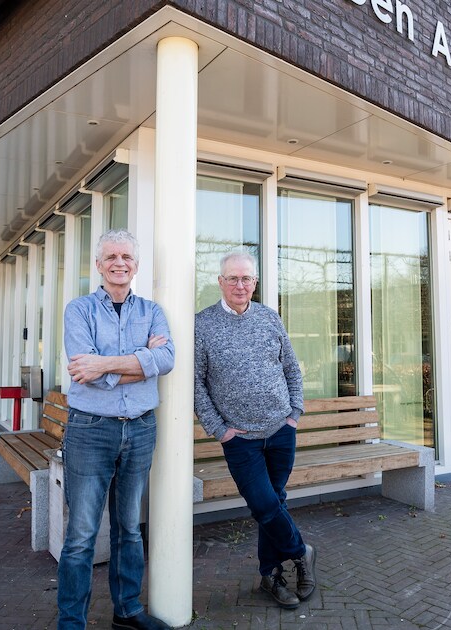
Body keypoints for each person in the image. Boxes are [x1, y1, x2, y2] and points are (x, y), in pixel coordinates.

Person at [58, 229, 174, 630]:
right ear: (98, 265)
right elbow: (81, 370)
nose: (119, 263)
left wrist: (105, 364)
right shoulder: (79, 310)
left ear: (136, 265)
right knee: (81, 535)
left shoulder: (152, 311)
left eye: (126, 257)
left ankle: (126, 612)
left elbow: (167, 358)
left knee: (128, 528)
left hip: (140, 429)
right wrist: (141, 363)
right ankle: (71, 623)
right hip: (90, 431)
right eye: (111, 257)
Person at [193, 250, 315, 610]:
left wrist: (295, 413)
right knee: (263, 504)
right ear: (220, 282)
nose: (240, 285)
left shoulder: (269, 317)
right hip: (239, 438)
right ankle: (301, 552)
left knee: (274, 502)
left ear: (255, 283)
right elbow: (196, 384)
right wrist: (220, 430)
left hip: (281, 430)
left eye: (246, 279)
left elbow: (292, 368)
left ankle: (270, 576)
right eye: (233, 278)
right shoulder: (203, 324)